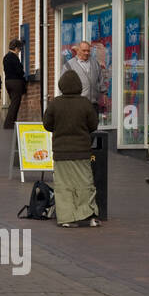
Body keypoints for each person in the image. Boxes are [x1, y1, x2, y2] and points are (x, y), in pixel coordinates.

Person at [43, 69, 101, 227]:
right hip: (81, 151)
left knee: (63, 185)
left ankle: (67, 218)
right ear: (79, 85)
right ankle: (87, 214)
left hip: (61, 152)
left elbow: (47, 125)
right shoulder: (85, 103)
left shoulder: (55, 103)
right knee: (85, 183)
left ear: (61, 85)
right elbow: (93, 125)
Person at [64, 40, 101, 109]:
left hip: (93, 104)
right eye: (84, 51)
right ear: (77, 51)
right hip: (77, 104)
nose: (86, 53)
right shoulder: (69, 65)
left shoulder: (95, 63)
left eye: (88, 51)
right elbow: (64, 85)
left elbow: (100, 80)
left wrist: (104, 93)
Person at [2, 38, 26, 130]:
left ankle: (12, 122)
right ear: (15, 48)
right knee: (15, 104)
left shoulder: (6, 57)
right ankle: (9, 124)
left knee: (13, 102)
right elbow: (19, 71)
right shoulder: (14, 57)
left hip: (8, 81)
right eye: (19, 49)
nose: (19, 51)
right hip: (16, 82)